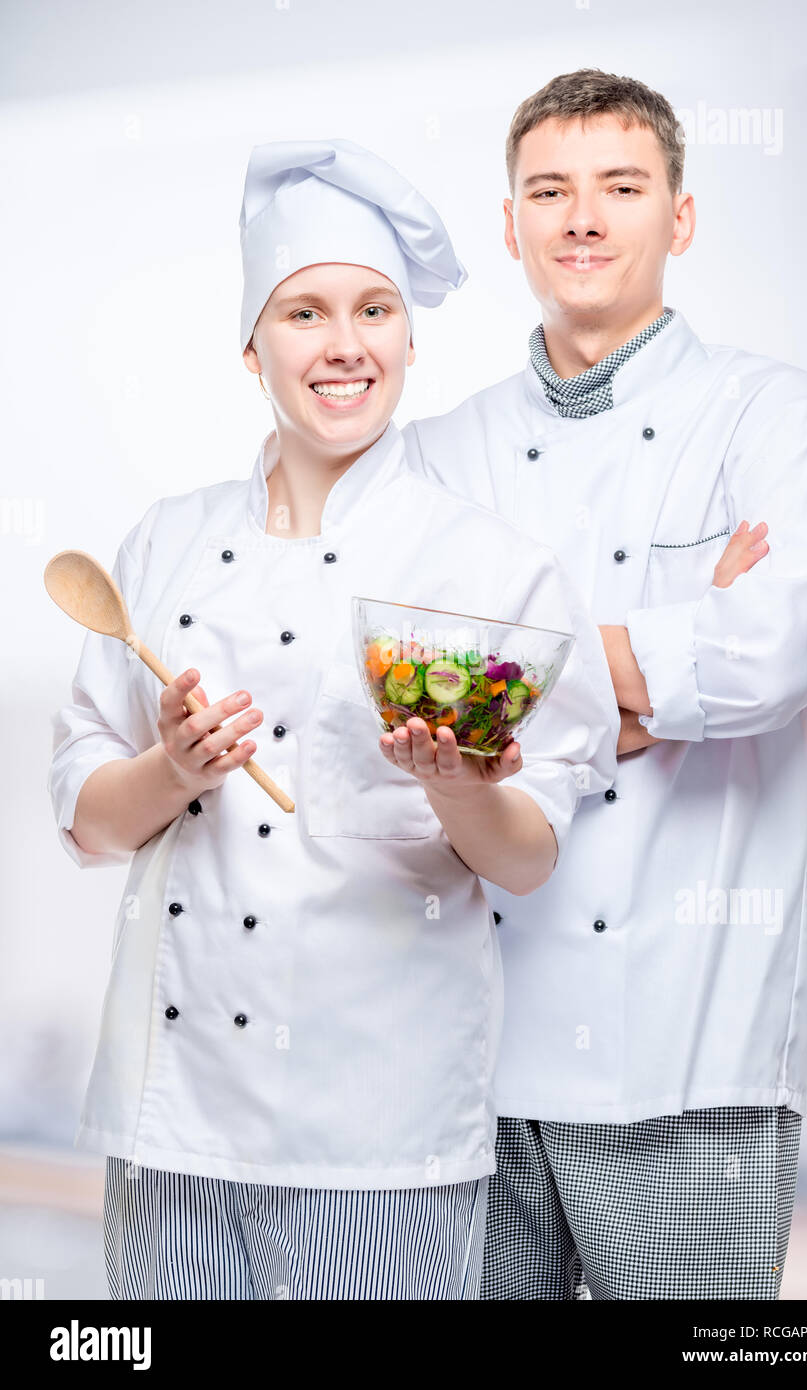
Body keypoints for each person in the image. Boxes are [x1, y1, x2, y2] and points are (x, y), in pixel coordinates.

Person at [46, 137, 621, 1301]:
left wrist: (459, 786)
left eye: (373, 309)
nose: (344, 344)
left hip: (382, 1134)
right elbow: (90, 821)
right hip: (175, 1126)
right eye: (304, 311)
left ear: (409, 337)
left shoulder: (487, 566)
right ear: (252, 346)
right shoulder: (162, 543)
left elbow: (529, 855)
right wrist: (170, 767)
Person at [402, 69, 807, 1299]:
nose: (583, 218)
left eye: (621, 185)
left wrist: (512, 668)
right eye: (549, 190)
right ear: (511, 225)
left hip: (693, 1058)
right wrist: (666, 647)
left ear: (681, 215)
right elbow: (410, 701)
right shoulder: (438, 454)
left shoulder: (781, 418)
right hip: (469, 1069)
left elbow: (768, 652)